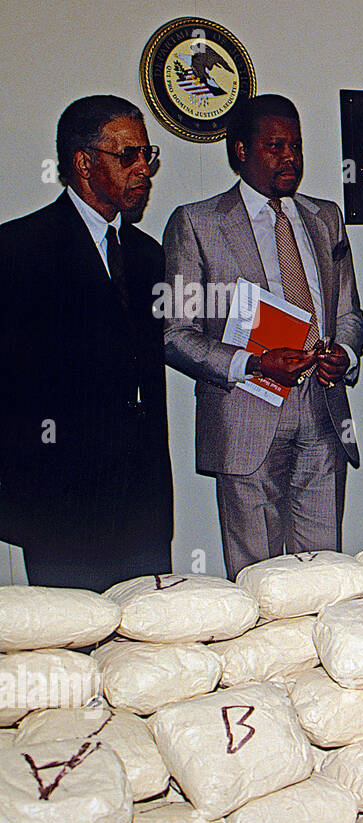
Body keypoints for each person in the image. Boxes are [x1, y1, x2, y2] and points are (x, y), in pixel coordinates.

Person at [163, 94, 363, 578]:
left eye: (295, 145)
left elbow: (350, 310)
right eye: (275, 146)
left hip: (322, 408)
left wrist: (346, 354)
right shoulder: (197, 223)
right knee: (259, 579)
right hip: (245, 417)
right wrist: (252, 364)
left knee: (324, 574)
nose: (290, 157)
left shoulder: (325, 216)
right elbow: (175, 333)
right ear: (239, 151)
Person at [0, 95, 172, 591]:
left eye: (148, 155)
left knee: (147, 652)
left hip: (142, 507)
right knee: (72, 654)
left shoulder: (146, 256)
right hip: (61, 509)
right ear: (83, 162)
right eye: (128, 156)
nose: (144, 169)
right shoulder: (20, 250)